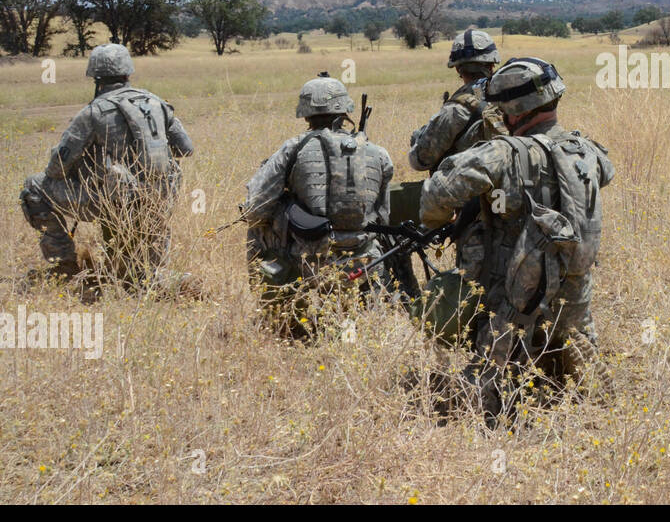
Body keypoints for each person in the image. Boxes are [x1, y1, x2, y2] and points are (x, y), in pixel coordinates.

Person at [419, 57, 614, 419]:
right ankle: (573, 383)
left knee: (484, 396)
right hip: (574, 296)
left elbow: (434, 196)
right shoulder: (587, 150)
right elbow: (606, 175)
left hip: (514, 300)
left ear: (511, 109)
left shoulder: (502, 153)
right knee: (580, 365)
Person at [20, 43, 193, 287]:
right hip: (159, 201)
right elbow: (186, 149)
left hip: (112, 203)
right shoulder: (157, 103)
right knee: (139, 274)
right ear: (127, 72)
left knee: (34, 187)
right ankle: (157, 276)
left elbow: (55, 168)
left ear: (95, 77)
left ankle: (64, 266)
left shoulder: (94, 112)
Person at [243, 72, 393, 338]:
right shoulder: (378, 153)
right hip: (367, 258)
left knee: (255, 230)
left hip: (311, 259)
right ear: (346, 109)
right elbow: (383, 217)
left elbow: (255, 208)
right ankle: (360, 319)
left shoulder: (294, 148)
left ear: (306, 114)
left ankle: (284, 318)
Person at [403, 29, 506, 294]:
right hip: (519, 205)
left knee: (476, 296)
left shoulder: (456, 109)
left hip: (475, 214)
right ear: (492, 64)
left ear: (458, 69)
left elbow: (420, 159)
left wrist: (419, 137)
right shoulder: (515, 101)